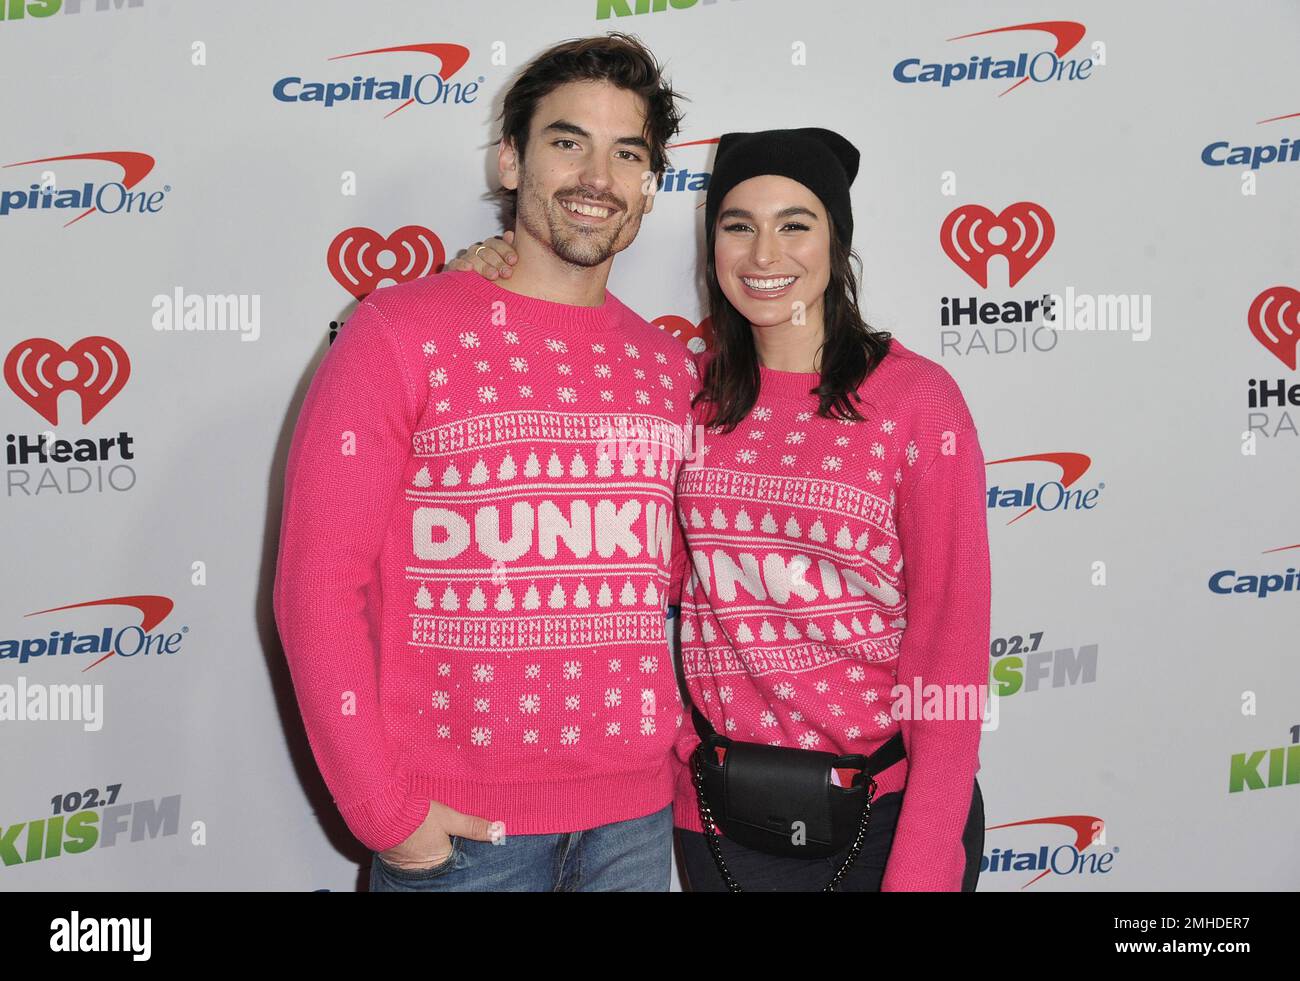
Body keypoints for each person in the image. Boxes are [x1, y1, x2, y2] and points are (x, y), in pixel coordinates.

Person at [450, 127, 991, 891]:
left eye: (795, 224)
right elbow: (633, 559)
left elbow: (951, 652)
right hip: (718, 820)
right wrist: (484, 279)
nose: (764, 255)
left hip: (884, 818)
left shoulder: (915, 402)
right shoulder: (685, 393)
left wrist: (928, 861)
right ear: (712, 249)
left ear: (838, 243)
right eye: (739, 226)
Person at [273, 32, 697, 892]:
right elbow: (315, 587)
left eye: (627, 152)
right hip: (462, 839)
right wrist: (388, 816)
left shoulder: (668, 367)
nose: (595, 177)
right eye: (567, 141)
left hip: (637, 827)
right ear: (511, 160)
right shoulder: (398, 333)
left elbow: (676, 578)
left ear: (649, 187)